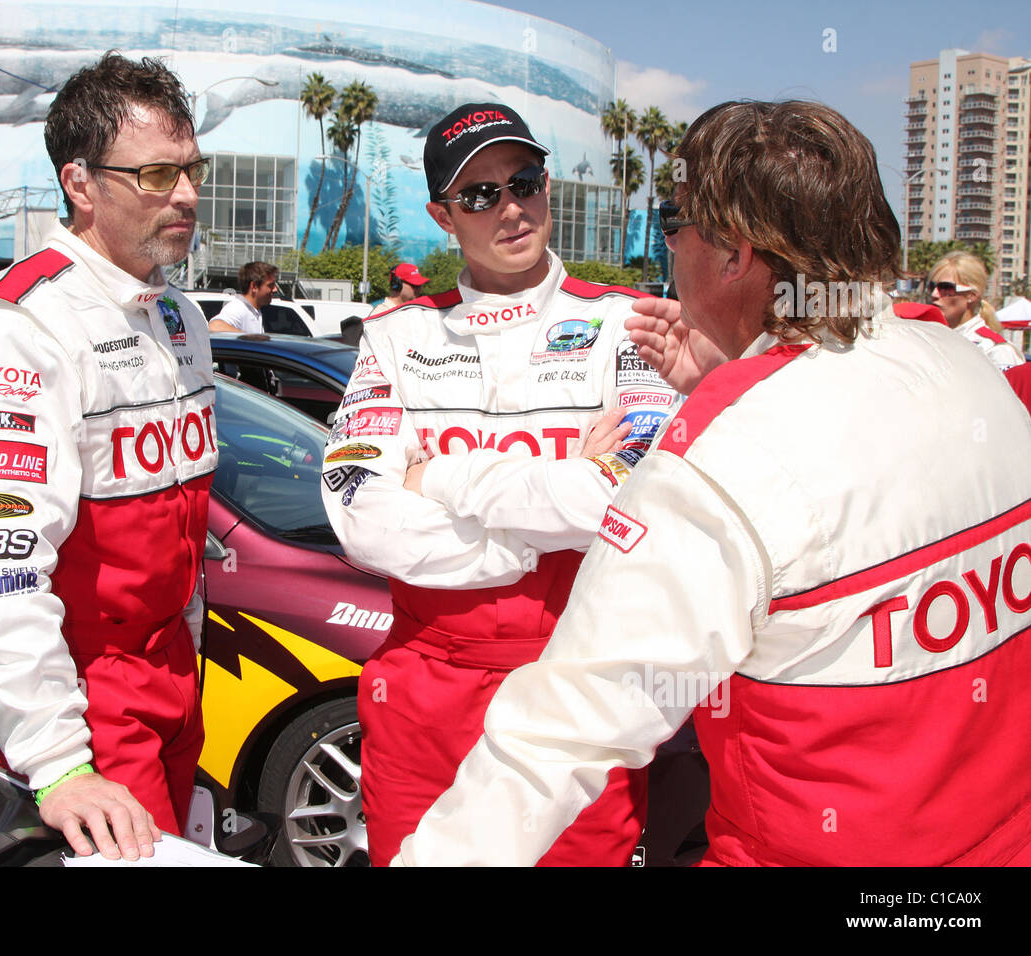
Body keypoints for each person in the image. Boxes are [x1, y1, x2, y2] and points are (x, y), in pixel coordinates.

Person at [395, 100, 1031, 867]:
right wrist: (736, 374)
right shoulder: (978, 373)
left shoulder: (720, 460)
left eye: (671, 222)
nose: (666, 248)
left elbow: (560, 733)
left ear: (732, 252)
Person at [321, 102, 680, 866]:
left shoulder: (627, 325)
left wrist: (441, 474)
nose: (511, 207)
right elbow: (360, 515)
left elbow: (626, 499)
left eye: (524, 181)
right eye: (480, 195)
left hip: (579, 691)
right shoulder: (397, 336)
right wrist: (531, 535)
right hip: (423, 698)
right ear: (442, 216)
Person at [0, 52, 216, 861]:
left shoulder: (179, 316)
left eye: (191, 168)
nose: (186, 194)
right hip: (88, 700)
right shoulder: (14, 331)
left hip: (175, 677)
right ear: (80, 184)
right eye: (157, 173)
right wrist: (59, 764)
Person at [927, 251, 1024, 371]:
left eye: (946, 287)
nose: (934, 294)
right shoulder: (928, 339)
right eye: (931, 286)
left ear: (971, 295)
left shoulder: (996, 350)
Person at [208, 261, 277, 333]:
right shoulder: (238, 308)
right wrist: (250, 338)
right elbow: (214, 326)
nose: (275, 289)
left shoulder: (254, 311)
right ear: (254, 286)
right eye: (270, 285)